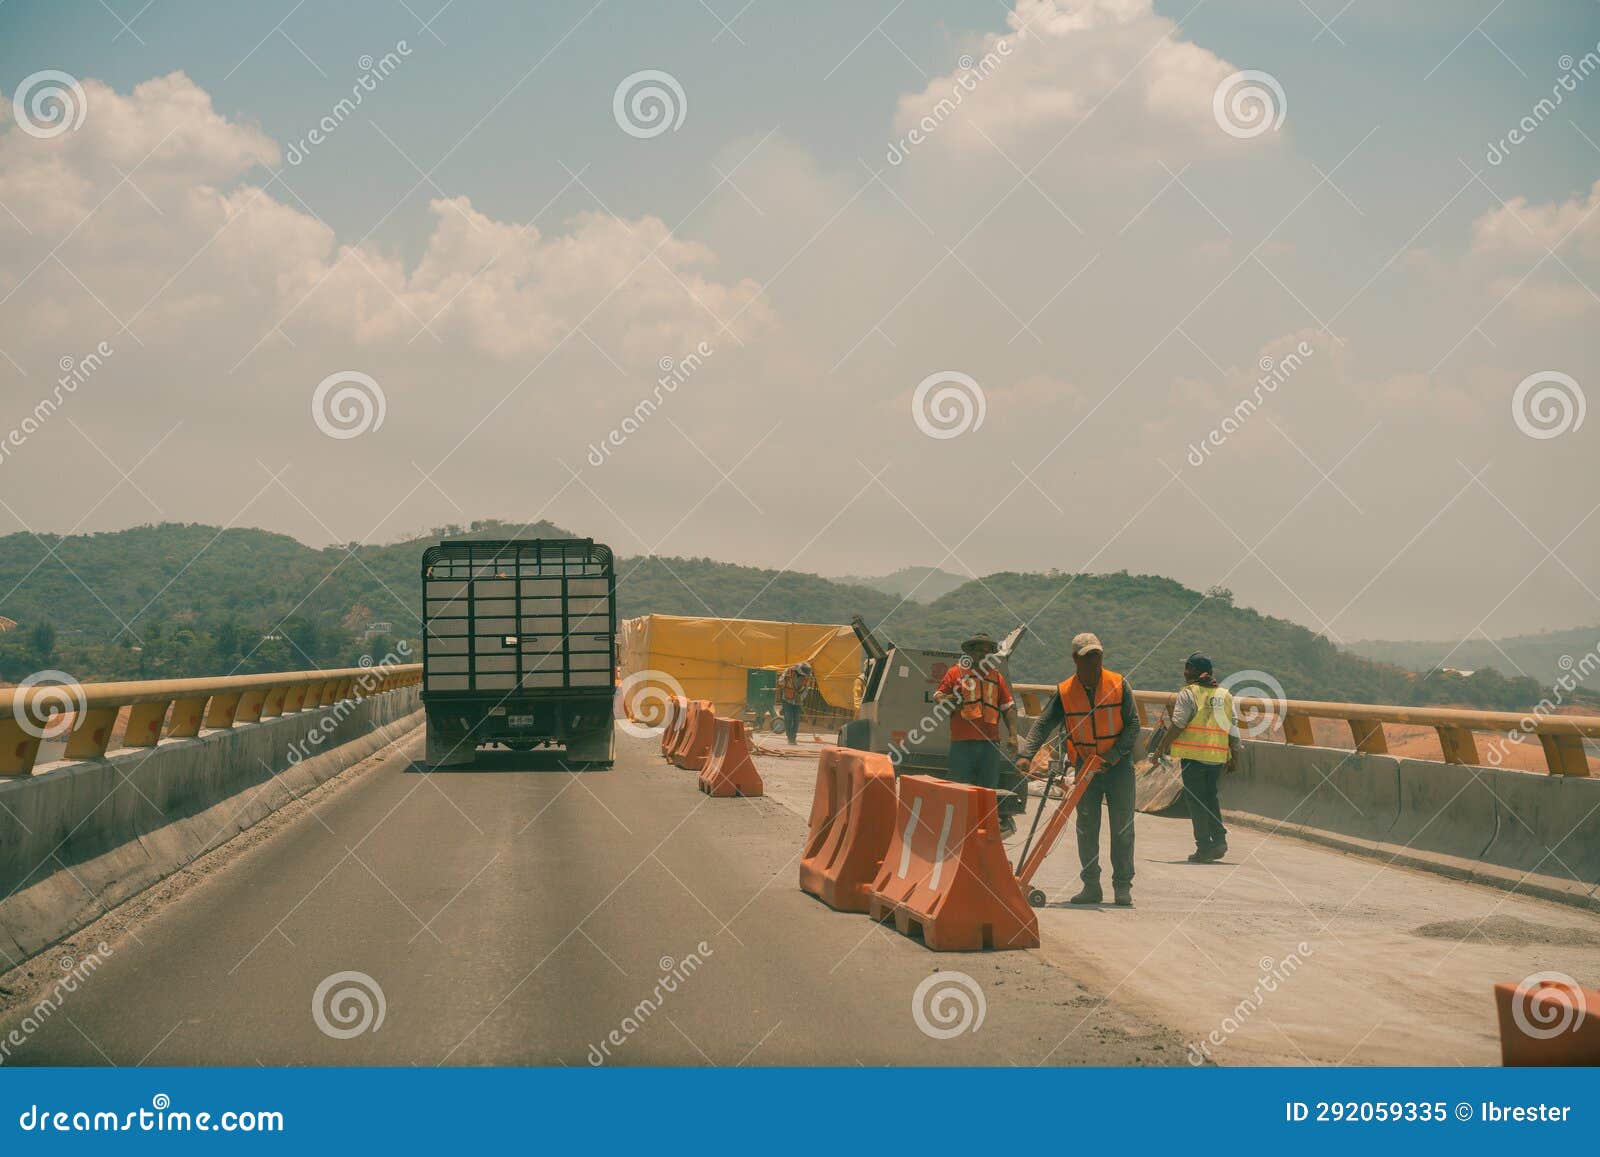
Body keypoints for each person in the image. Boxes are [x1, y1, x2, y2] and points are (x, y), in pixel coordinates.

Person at [1015, 632, 1139, 906]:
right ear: (1075, 659)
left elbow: (1133, 725)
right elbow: (1043, 724)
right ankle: (1091, 886)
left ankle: (1122, 886)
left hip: (1118, 766)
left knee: (1122, 828)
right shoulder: (1065, 692)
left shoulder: (1119, 684)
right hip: (1085, 766)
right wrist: (1026, 754)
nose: (1094, 662)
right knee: (1086, 827)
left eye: (1097, 656)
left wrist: (1113, 755)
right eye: (1088, 657)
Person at [1152, 652, 1241, 863]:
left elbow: (1178, 724)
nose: (1184, 672)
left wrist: (1160, 748)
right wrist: (1234, 756)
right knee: (1210, 797)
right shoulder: (1225, 695)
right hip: (1217, 757)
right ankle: (1219, 841)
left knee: (1196, 802)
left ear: (1195, 671)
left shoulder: (1188, 693)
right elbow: (1233, 729)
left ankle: (1204, 848)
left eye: (1188, 668)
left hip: (1194, 758)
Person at [933, 632, 1022, 835]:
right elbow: (939, 695)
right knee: (957, 787)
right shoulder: (955, 673)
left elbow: (1008, 707)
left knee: (988, 791)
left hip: (990, 744)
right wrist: (946, 701)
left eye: (987, 650)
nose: (983, 653)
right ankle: (955, 830)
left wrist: (1013, 735)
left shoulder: (996, 677)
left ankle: (983, 830)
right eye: (979, 650)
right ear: (970, 652)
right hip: (962, 743)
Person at [777, 661, 815, 744]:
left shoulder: (807, 676)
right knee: (788, 719)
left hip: (798, 702)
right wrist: (785, 681)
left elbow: (806, 689)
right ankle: (790, 737)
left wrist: (801, 697)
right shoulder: (788, 671)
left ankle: (793, 737)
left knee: (796, 720)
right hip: (787, 699)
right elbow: (780, 682)